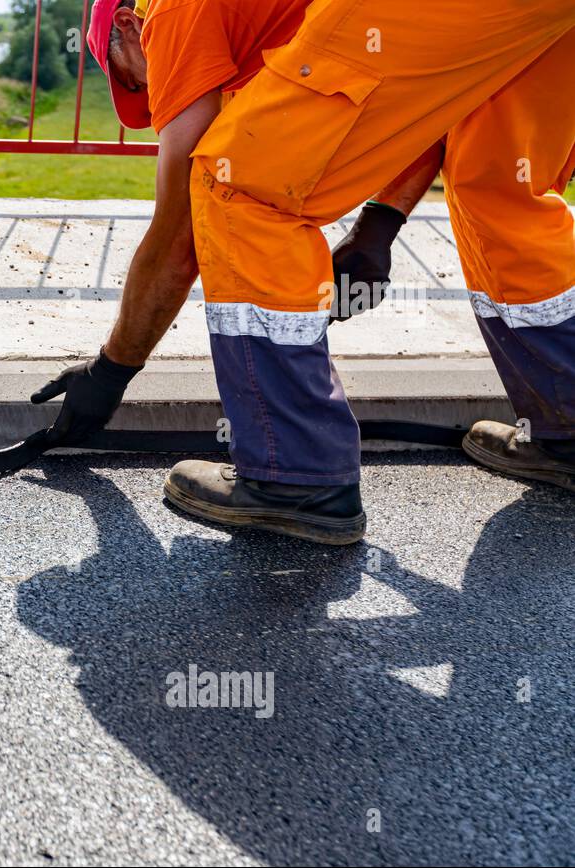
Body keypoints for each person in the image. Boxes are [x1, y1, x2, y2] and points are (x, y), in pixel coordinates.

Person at [35, 0, 574, 544]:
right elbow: (431, 86)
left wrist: (110, 372)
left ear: (128, 27)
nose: (150, 93)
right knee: (502, 184)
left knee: (238, 187)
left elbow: (181, 235)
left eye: (131, 75)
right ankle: (569, 430)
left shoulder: (171, 14)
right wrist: (379, 224)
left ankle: (294, 475)